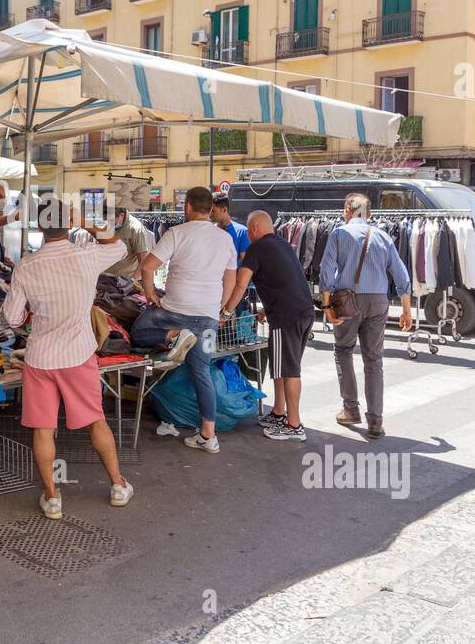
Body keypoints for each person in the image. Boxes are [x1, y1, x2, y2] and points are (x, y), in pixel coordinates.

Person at [2, 197, 134, 520]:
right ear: (68, 223)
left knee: (43, 428)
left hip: (41, 358)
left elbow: (12, 318)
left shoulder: (26, 266)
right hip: (78, 355)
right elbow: (119, 247)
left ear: (39, 228)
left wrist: (33, 308)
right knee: (96, 421)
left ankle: (52, 497)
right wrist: (86, 223)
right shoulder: (86, 255)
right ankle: (117, 485)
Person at [132, 186, 237, 453]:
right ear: (211, 208)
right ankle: (208, 435)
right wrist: (221, 309)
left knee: (138, 331)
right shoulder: (225, 239)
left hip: (172, 313)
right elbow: (231, 279)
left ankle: (173, 336)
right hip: (209, 319)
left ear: (188, 206)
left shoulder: (176, 233)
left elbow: (147, 266)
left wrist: (150, 293)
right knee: (201, 372)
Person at [319, 193, 413, 440]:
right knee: (374, 360)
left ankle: (350, 408)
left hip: (347, 301)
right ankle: (375, 422)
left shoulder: (339, 234)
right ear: (369, 214)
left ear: (347, 211)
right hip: (378, 301)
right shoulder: (383, 236)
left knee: (343, 350)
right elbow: (401, 275)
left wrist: (327, 306)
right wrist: (406, 310)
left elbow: (326, 271)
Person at [222, 210, 317, 442]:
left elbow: (241, 283)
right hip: (301, 312)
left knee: (290, 370)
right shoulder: (282, 245)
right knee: (280, 366)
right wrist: (266, 308)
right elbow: (287, 280)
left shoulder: (257, 248)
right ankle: (278, 412)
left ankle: (294, 425)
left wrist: (225, 311)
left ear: (254, 229)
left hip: (286, 317)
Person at [105, 207, 155, 281]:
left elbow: (143, 260)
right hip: (105, 277)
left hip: (123, 281)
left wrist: (133, 281)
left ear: (121, 215)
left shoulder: (136, 229)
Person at [210, 194, 250, 259]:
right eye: (209, 211)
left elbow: (245, 261)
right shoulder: (210, 231)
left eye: (213, 211)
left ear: (224, 210)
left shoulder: (242, 231)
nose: (210, 215)